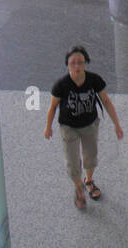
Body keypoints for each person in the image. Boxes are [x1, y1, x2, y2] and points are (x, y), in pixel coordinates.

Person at [44, 46, 123, 211]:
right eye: (72, 63)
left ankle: (89, 181)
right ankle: (78, 186)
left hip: (89, 125)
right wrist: (48, 127)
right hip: (68, 127)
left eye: (80, 62)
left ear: (86, 63)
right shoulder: (61, 84)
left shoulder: (94, 80)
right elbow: (52, 107)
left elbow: (106, 101)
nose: (77, 66)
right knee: (72, 162)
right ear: (67, 65)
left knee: (90, 156)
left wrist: (117, 124)